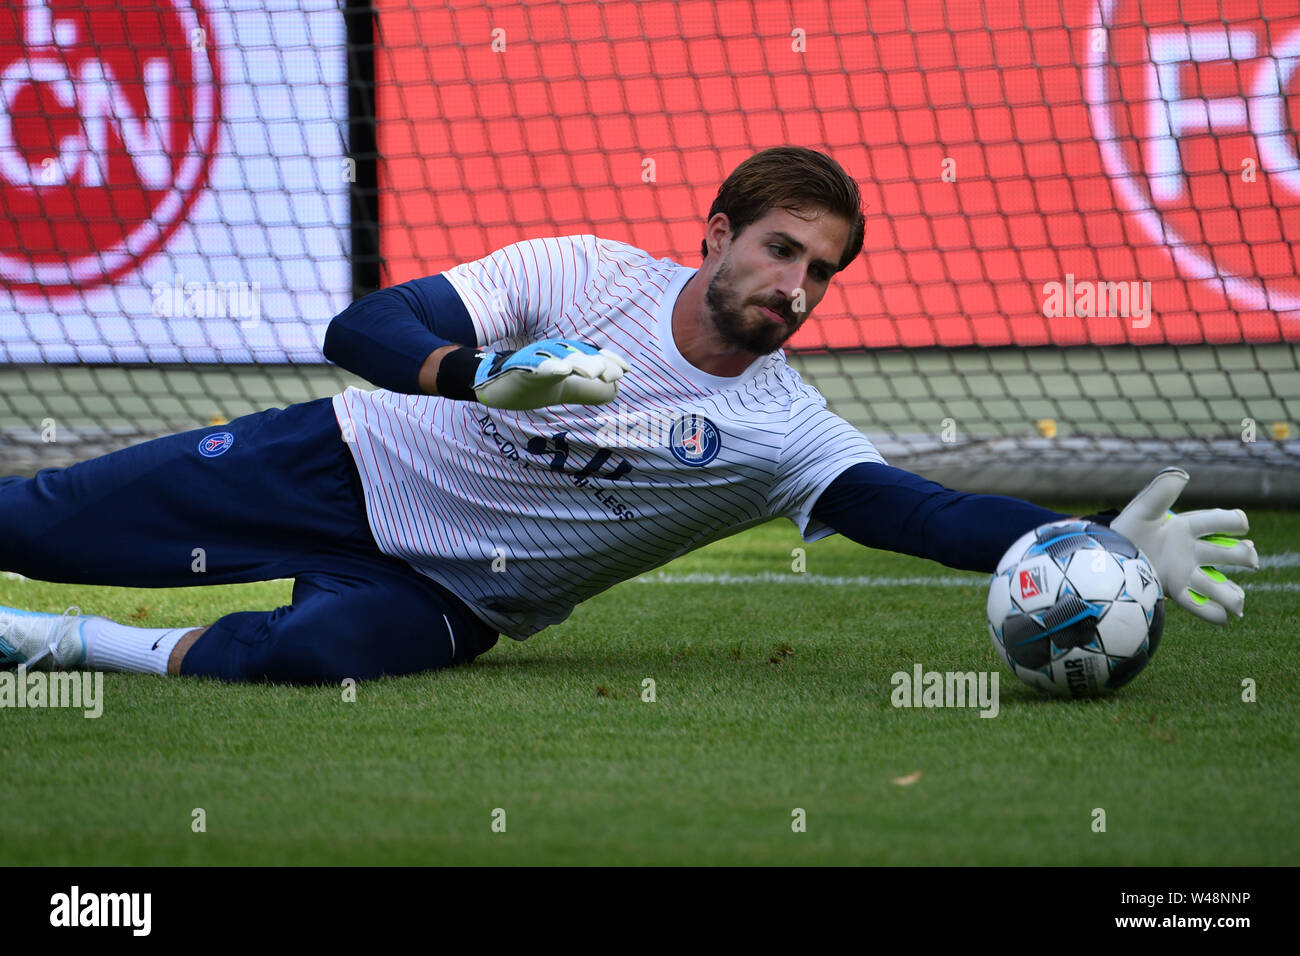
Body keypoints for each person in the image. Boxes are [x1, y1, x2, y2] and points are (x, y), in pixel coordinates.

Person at [0, 147, 1259, 683]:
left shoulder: (782, 430)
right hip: (339, 460)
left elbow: (917, 510)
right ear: (716, 233)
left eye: (821, 273)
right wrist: (477, 374)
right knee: (37, 519)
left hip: (453, 595)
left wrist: (1078, 544)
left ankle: (56, 641)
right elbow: (361, 327)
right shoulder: (581, 277)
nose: (795, 287)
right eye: (780, 250)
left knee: (307, 659)